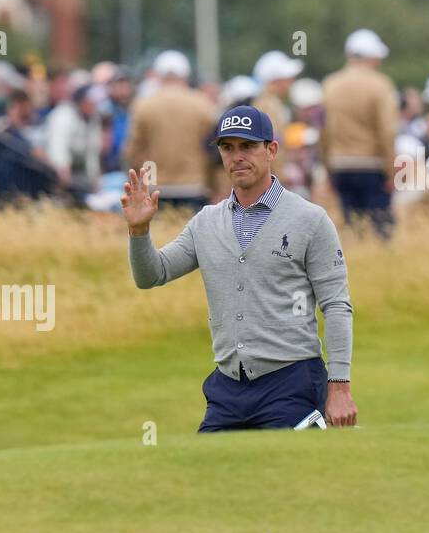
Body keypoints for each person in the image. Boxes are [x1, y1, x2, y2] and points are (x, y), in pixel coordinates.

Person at [122, 104, 356, 430]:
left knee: (286, 476)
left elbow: (337, 305)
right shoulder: (206, 222)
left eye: (247, 146)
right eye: (227, 148)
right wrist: (138, 232)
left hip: (292, 382)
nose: (236, 156)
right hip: (227, 388)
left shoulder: (310, 220)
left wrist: (340, 387)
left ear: (271, 150)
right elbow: (152, 275)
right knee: (209, 477)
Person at [320, 29, 399, 238]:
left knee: (353, 229)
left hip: (340, 166)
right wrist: (392, 171)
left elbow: (324, 132)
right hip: (372, 166)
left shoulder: (330, 85)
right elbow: (387, 132)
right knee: (381, 231)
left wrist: (328, 169)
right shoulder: (380, 85)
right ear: (372, 58)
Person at [123, 50, 218, 209]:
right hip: (194, 184)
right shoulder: (202, 104)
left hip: (155, 187)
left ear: (158, 75)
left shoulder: (143, 105)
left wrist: (146, 182)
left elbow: (134, 151)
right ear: (186, 75)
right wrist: (212, 183)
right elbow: (213, 148)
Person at [44, 82, 103, 196]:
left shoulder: (93, 117)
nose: (95, 104)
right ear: (82, 101)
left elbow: (93, 150)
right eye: (92, 101)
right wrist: (62, 171)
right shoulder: (63, 116)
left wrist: (94, 180)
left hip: (79, 174)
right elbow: (58, 147)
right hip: (53, 172)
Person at [252, 50, 304, 177]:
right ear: (275, 80)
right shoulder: (268, 105)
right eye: (287, 78)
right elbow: (271, 145)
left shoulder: (269, 102)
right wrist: (281, 176)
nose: (291, 81)